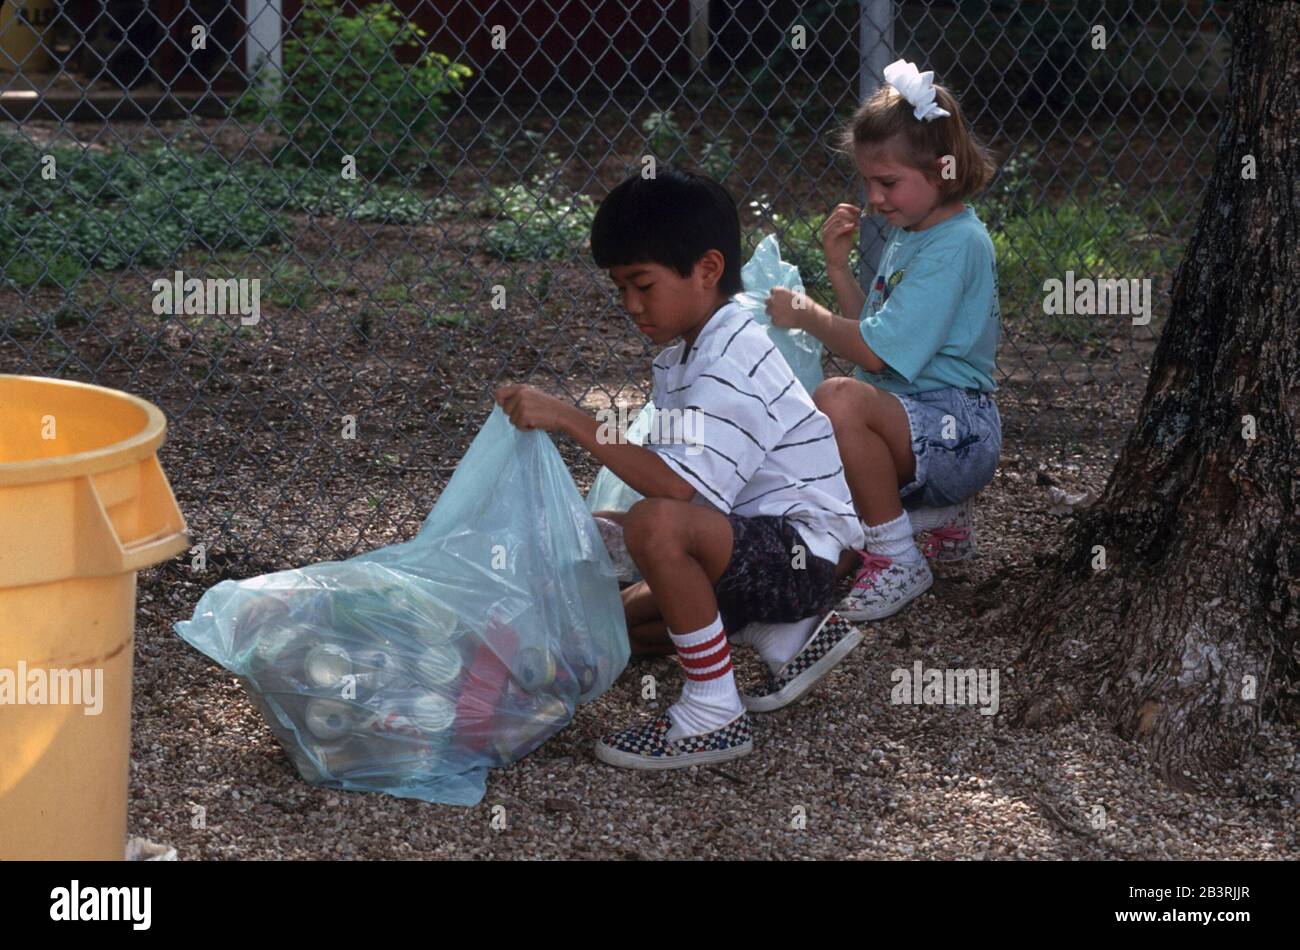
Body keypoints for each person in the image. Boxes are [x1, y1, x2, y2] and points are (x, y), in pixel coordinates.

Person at [494, 167, 865, 769]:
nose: (631, 305)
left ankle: (713, 714)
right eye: (619, 289)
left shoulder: (730, 359)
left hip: (804, 555)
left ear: (708, 269)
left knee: (653, 525)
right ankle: (785, 634)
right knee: (617, 622)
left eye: (642, 284)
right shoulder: (687, 355)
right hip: (760, 547)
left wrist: (568, 417)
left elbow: (673, 489)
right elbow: (687, 485)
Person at [765, 59, 1003, 622]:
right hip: (918, 423)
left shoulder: (956, 244)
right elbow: (874, 337)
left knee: (838, 399)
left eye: (888, 182)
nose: (874, 198)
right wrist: (840, 269)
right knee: (815, 469)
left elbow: (872, 353)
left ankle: (898, 558)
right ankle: (938, 521)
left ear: (943, 171)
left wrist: (804, 312)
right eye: (869, 182)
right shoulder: (912, 232)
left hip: (957, 427)